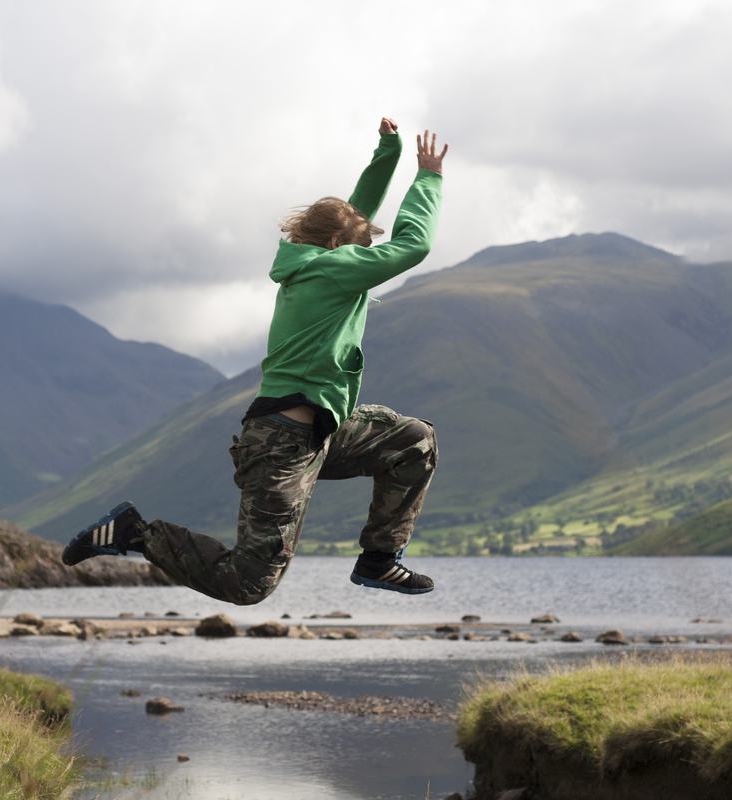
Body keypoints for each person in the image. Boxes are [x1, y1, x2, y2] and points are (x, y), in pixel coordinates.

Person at [62, 117, 447, 605]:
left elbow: (355, 215)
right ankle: (137, 533)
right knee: (248, 584)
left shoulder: (319, 260)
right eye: (362, 245)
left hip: (324, 431)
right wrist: (428, 177)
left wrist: (388, 153)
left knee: (413, 441)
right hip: (281, 444)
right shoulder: (330, 269)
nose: (368, 253)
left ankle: (378, 560)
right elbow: (415, 244)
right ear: (336, 247)